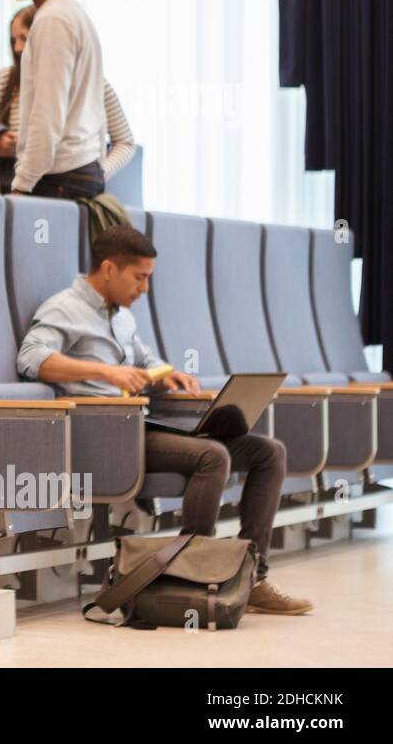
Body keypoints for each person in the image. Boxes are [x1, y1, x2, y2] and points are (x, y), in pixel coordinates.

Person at [15, 225, 313, 615]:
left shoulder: (121, 318)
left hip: (141, 423)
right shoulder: (63, 308)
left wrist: (166, 372)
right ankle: (191, 577)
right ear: (108, 268)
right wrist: (105, 373)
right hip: (104, 435)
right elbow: (31, 358)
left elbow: (143, 358)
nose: (145, 288)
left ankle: (251, 576)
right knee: (212, 456)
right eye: (139, 277)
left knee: (268, 452)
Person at [0, 5, 135, 192]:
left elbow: (125, 143)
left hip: (65, 188)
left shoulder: (95, 84)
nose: (18, 48)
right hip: (11, 183)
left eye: (24, 38)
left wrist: (95, 174)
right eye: (14, 40)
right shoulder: (5, 79)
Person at [1, 0, 110, 200]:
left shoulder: (52, 21)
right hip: (80, 171)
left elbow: (47, 115)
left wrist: (21, 186)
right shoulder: (74, 14)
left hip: (59, 176)